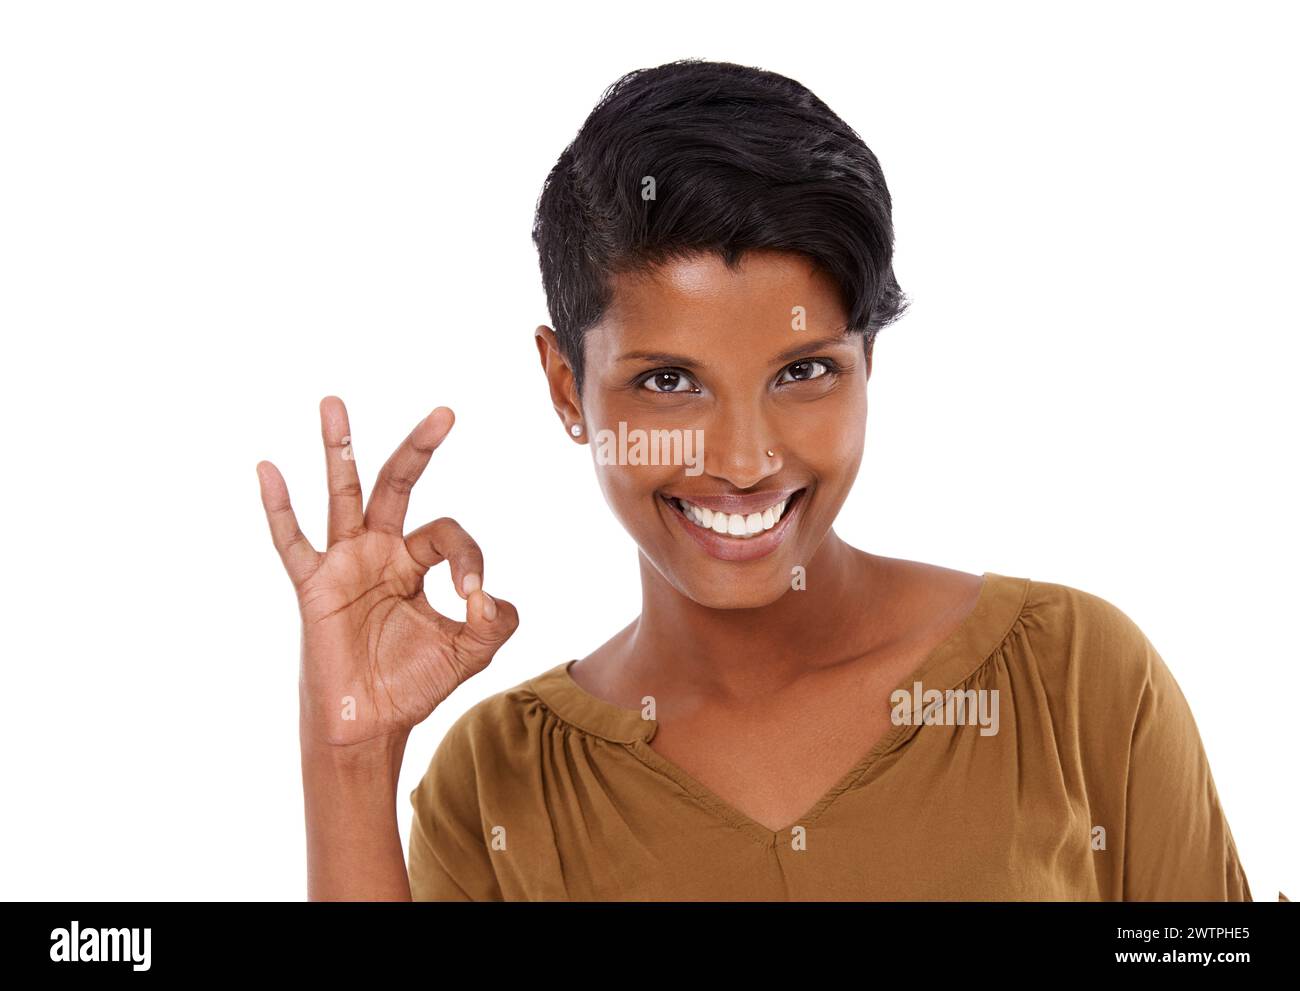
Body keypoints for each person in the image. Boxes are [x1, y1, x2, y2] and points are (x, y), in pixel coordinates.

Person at [256, 59, 1252, 901]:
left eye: (803, 370)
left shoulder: (1073, 681)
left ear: (868, 363)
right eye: (668, 382)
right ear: (567, 386)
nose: (741, 460)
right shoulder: (500, 787)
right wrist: (347, 757)